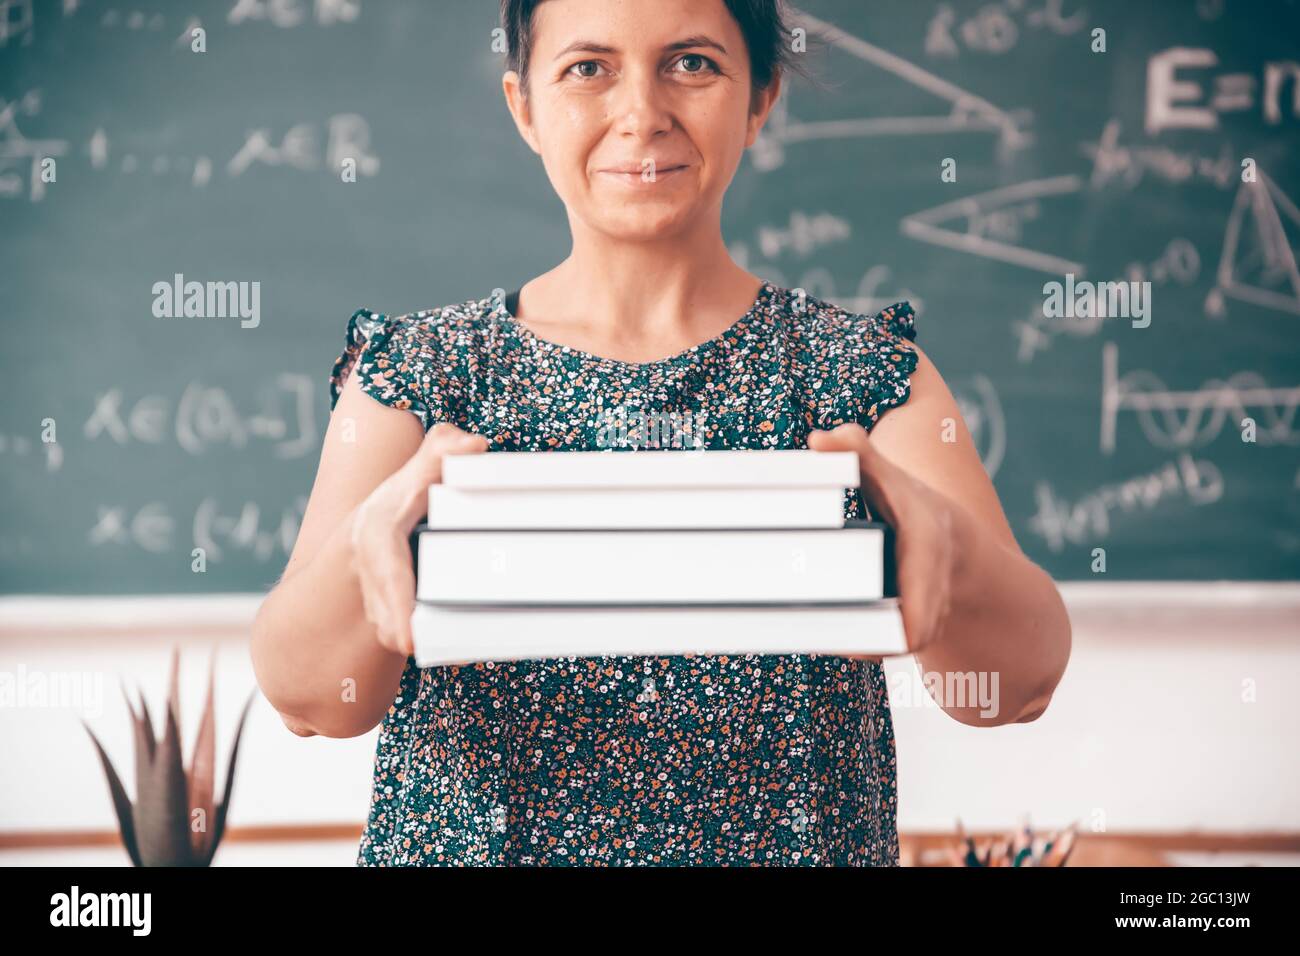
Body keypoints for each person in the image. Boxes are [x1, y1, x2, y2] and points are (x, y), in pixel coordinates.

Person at [250, 0, 1071, 866]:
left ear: (761, 100)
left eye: (691, 63)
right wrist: (363, 550)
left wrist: (950, 547)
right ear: (523, 106)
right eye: (587, 68)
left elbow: (1014, 689)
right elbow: (313, 703)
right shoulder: (419, 377)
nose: (642, 112)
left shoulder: (862, 377)